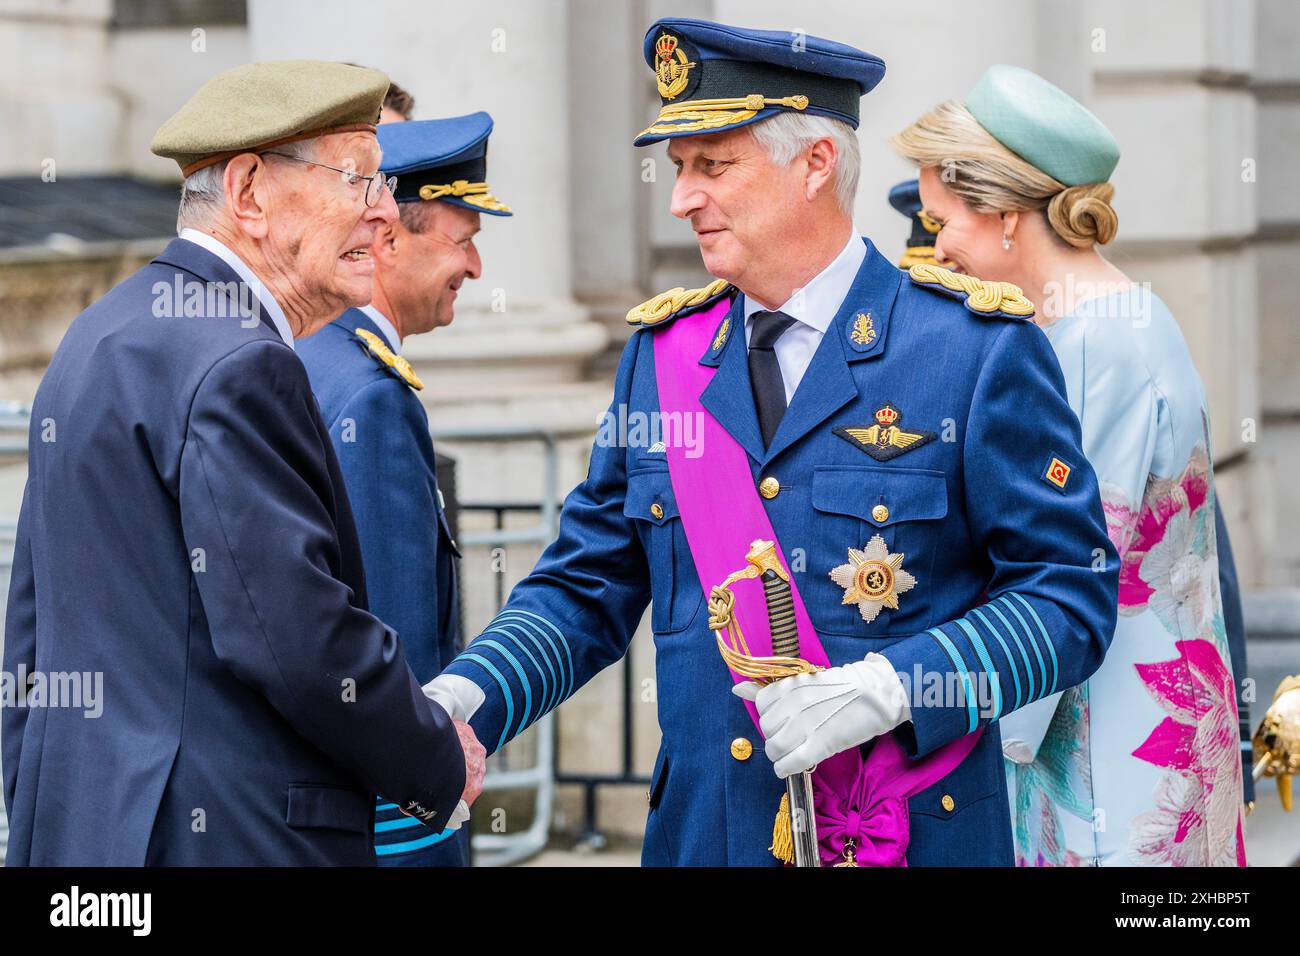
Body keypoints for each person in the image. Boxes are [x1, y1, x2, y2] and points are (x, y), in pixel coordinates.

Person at [424, 18, 1118, 866]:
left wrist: (894, 686)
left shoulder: (972, 351)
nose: (682, 198)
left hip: (908, 836)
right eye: (681, 169)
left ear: (816, 165)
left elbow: (1068, 597)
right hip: (709, 837)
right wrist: (467, 696)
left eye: (714, 165)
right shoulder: (664, 356)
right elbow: (588, 582)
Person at [1, 60, 484, 866]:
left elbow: (31, 630)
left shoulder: (102, 332)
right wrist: (436, 754)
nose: (385, 216)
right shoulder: (240, 362)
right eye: (360, 179)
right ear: (251, 191)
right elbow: (297, 638)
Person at [893, 64, 1246, 865]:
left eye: (943, 219)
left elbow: (1072, 570)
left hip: (1114, 738)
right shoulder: (1092, 327)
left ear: (1008, 216)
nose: (937, 246)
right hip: (1116, 713)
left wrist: (955, 727)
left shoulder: (1100, 345)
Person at [297, 112, 510, 866]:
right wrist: (422, 813)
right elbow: (393, 641)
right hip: (388, 817)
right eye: (463, 240)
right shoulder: (369, 393)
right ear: (388, 238)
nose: (477, 268)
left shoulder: (316, 359)